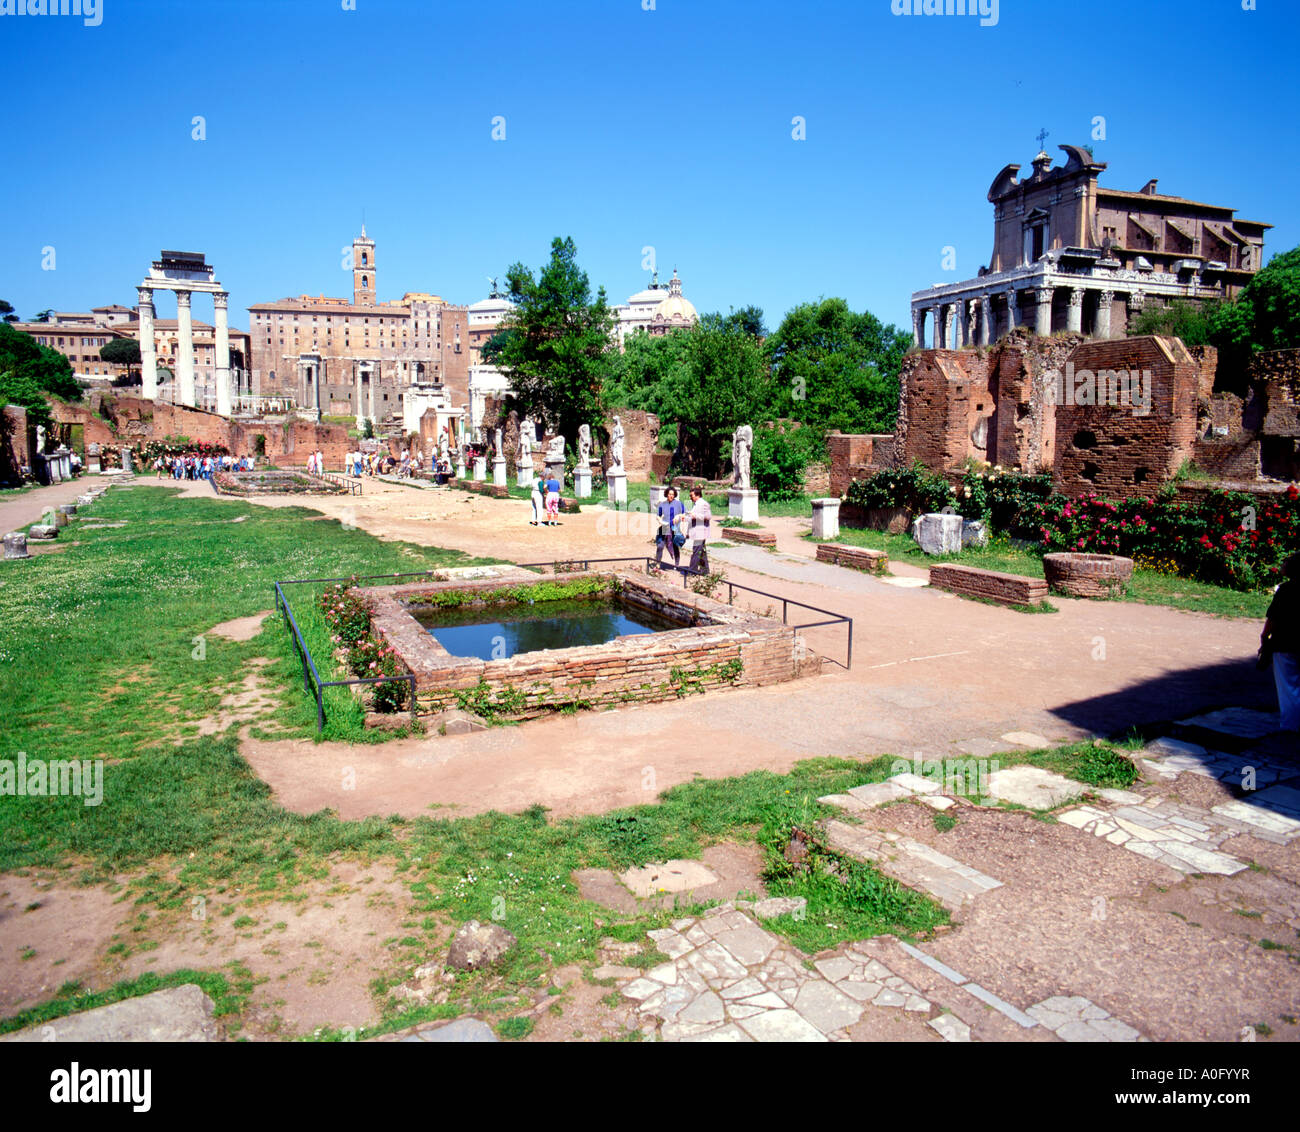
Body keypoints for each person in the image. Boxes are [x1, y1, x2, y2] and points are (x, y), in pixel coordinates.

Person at [1261, 552, 1300, 734]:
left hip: (1284, 643)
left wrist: (1264, 637)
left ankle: (1290, 726)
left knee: (1288, 686)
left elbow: (1273, 618)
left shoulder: (1285, 590)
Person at [681, 486, 712, 575]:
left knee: (696, 551)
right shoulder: (696, 504)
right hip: (697, 531)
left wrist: (695, 516)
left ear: (697, 495)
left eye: (691, 496)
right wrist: (685, 518)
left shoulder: (704, 504)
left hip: (701, 532)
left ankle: (692, 571)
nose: (690, 498)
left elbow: (708, 517)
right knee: (701, 552)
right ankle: (705, 570)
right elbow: (692, 517)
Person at [655, 487, 685, 569]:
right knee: (660, 545)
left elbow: (684, 514)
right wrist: (659, 520)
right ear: (666, 494)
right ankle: (658, 563)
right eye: (669, 494)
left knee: (675, 546)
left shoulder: (679, 504)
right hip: (665, 526)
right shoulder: (662, 504)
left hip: (675, 528)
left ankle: (677, 564)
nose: (671, 496)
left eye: (672, 494)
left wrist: (678, 516)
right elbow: (658, 515)